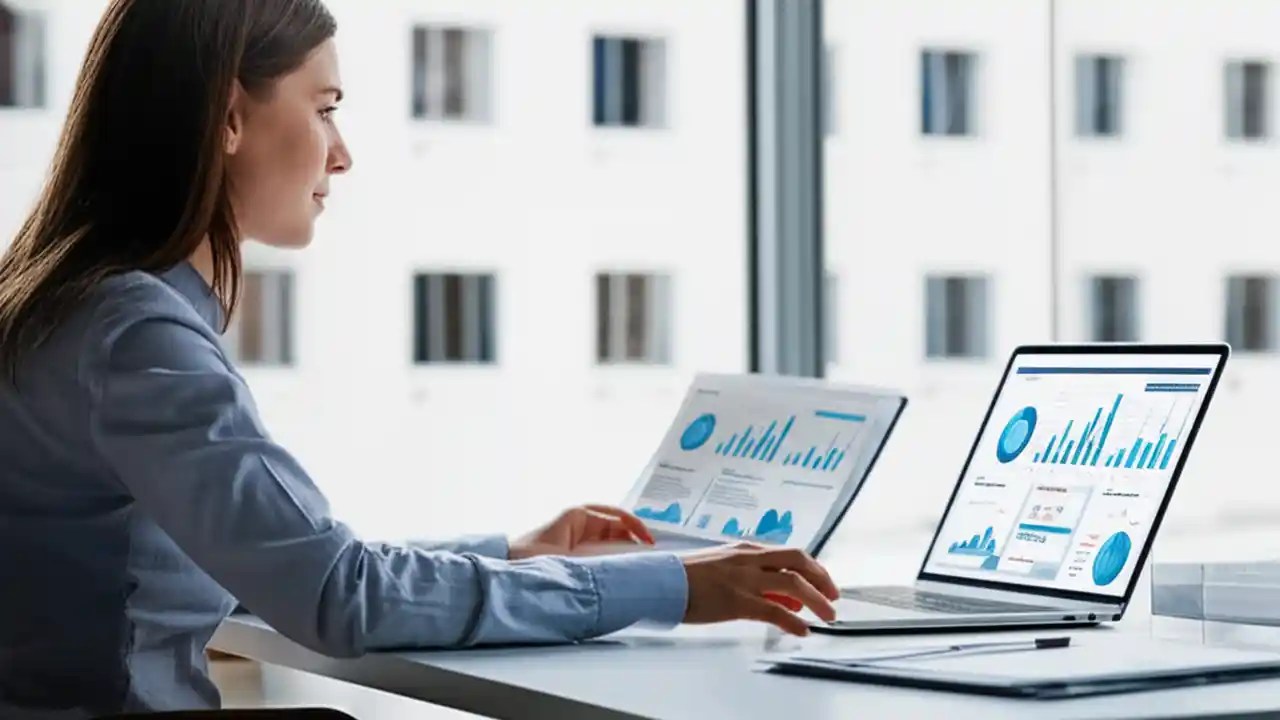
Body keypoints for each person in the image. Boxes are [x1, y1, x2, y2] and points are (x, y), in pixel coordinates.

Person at [0, 1, 840, 718]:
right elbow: (335, 594)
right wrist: (671, 588)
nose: (342, 152)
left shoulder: (75, 303)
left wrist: (509, 554)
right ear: (228, 116)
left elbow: (263, 565)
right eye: (324, 106)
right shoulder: (135, 333)